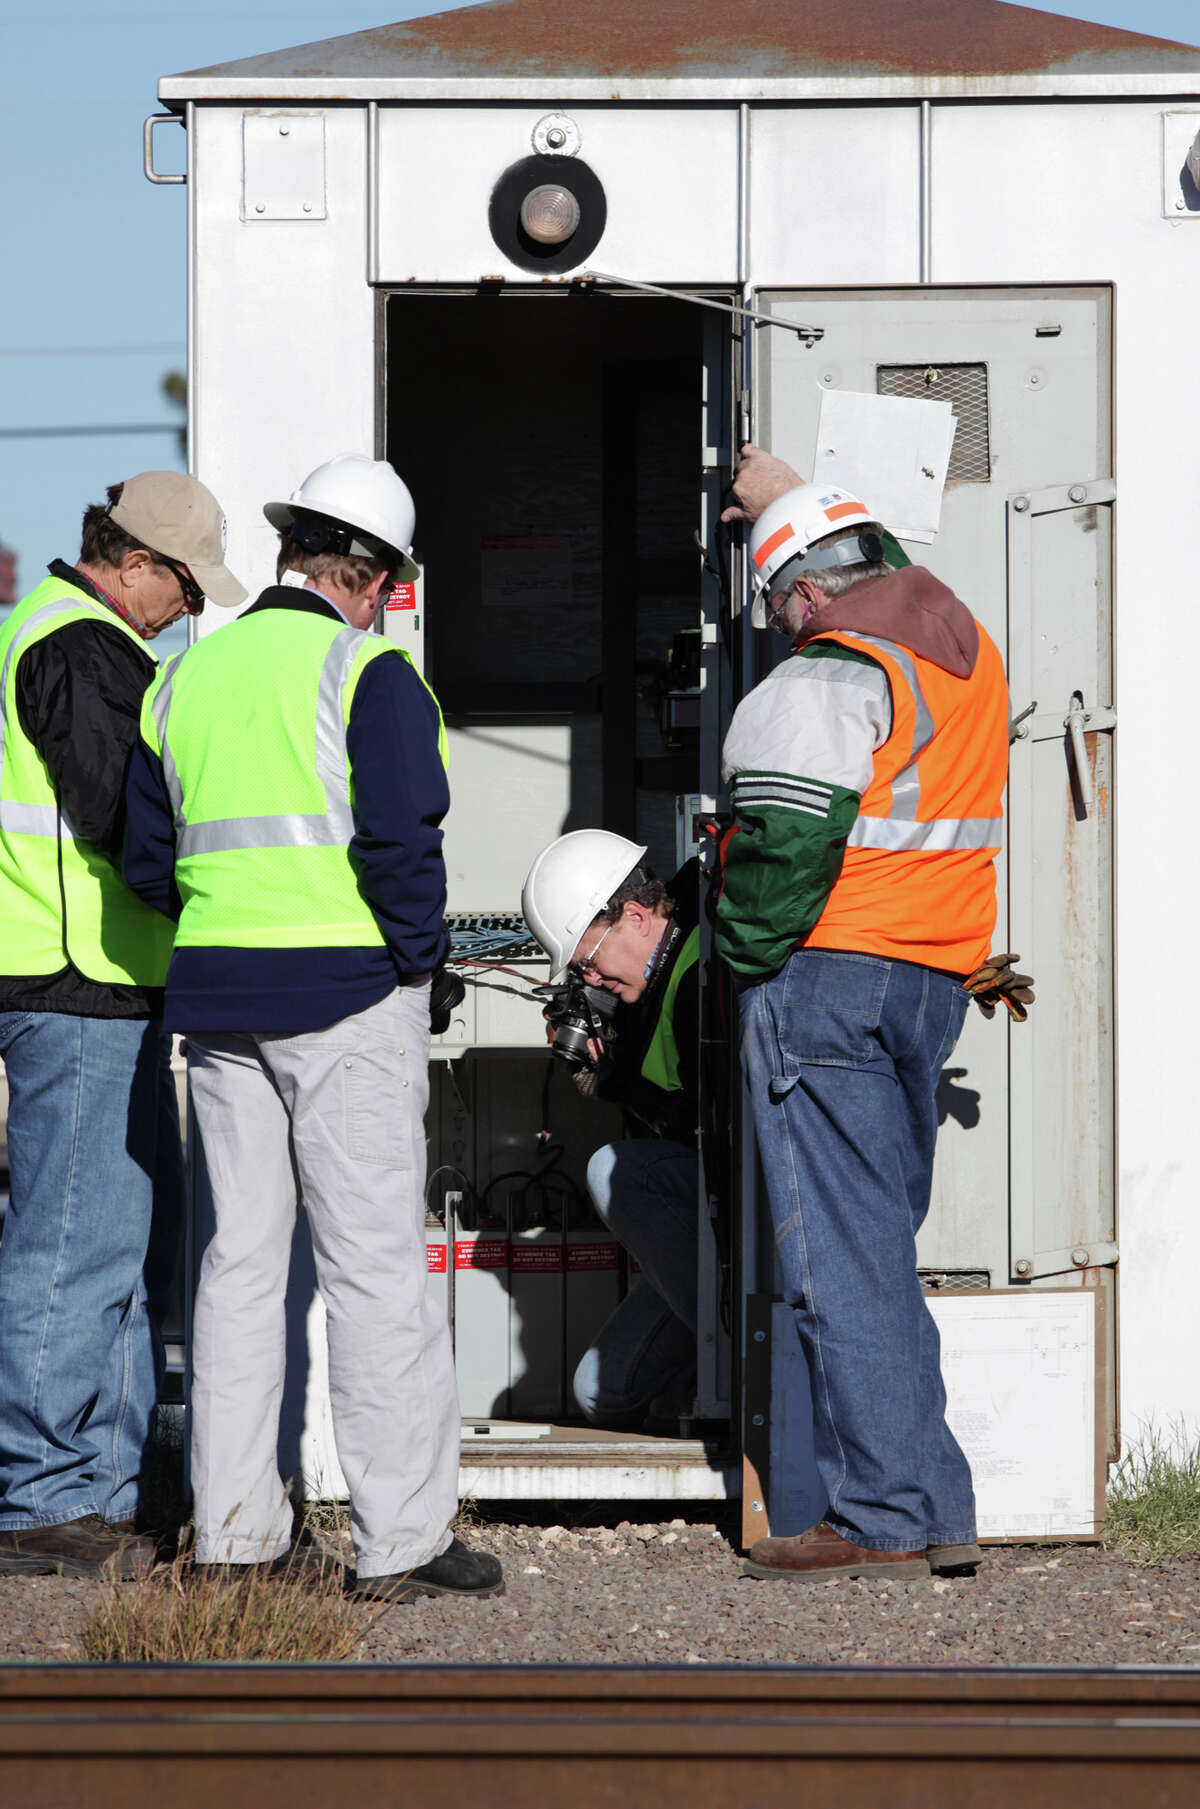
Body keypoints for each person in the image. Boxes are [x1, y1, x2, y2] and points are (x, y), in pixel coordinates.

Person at [122, 453, 503, 1604]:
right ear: (375, 578)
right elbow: (403, 848)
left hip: (220, 1007)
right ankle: (403, 1542)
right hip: (347, 1002)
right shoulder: (369, 672)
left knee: (237, 1269)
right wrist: (419, 968)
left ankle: (235, 1535)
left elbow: (148, 862)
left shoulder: (186, 676)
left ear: (293, 552)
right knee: (376, 1269)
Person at [716, 447, 1009, 1582]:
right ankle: (934, 1505)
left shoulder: (825, 672)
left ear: (803, 592)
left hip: (829, 978)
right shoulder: (963, 653)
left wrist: (740, 960)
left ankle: (884, 1510)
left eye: (783, 610)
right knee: (880, 1246)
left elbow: (784, 848)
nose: (785, 628)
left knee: (842, 1256)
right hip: (931, 983)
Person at [0, 470, 246, 1580]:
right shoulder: (79, 647)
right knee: (72, 1247)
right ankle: (44, 1494)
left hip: (93, 980)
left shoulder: (64, 638)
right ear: (134, 563)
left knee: (119, 1247)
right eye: (187, 588)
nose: (192, 610)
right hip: (74, 977)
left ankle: (100, 1489)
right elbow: (116, 817)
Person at [521, 831, 701, 1429]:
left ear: (636, 916)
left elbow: (710, 1124)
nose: (592, 981)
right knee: (600, 1392)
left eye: (589, 962)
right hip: (700, 1230)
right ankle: (717, 1354)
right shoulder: (647, 993)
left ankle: (743, 1348)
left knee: (617, 1170)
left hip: (734, 1226)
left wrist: (617, 1076)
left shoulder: (703, 970)